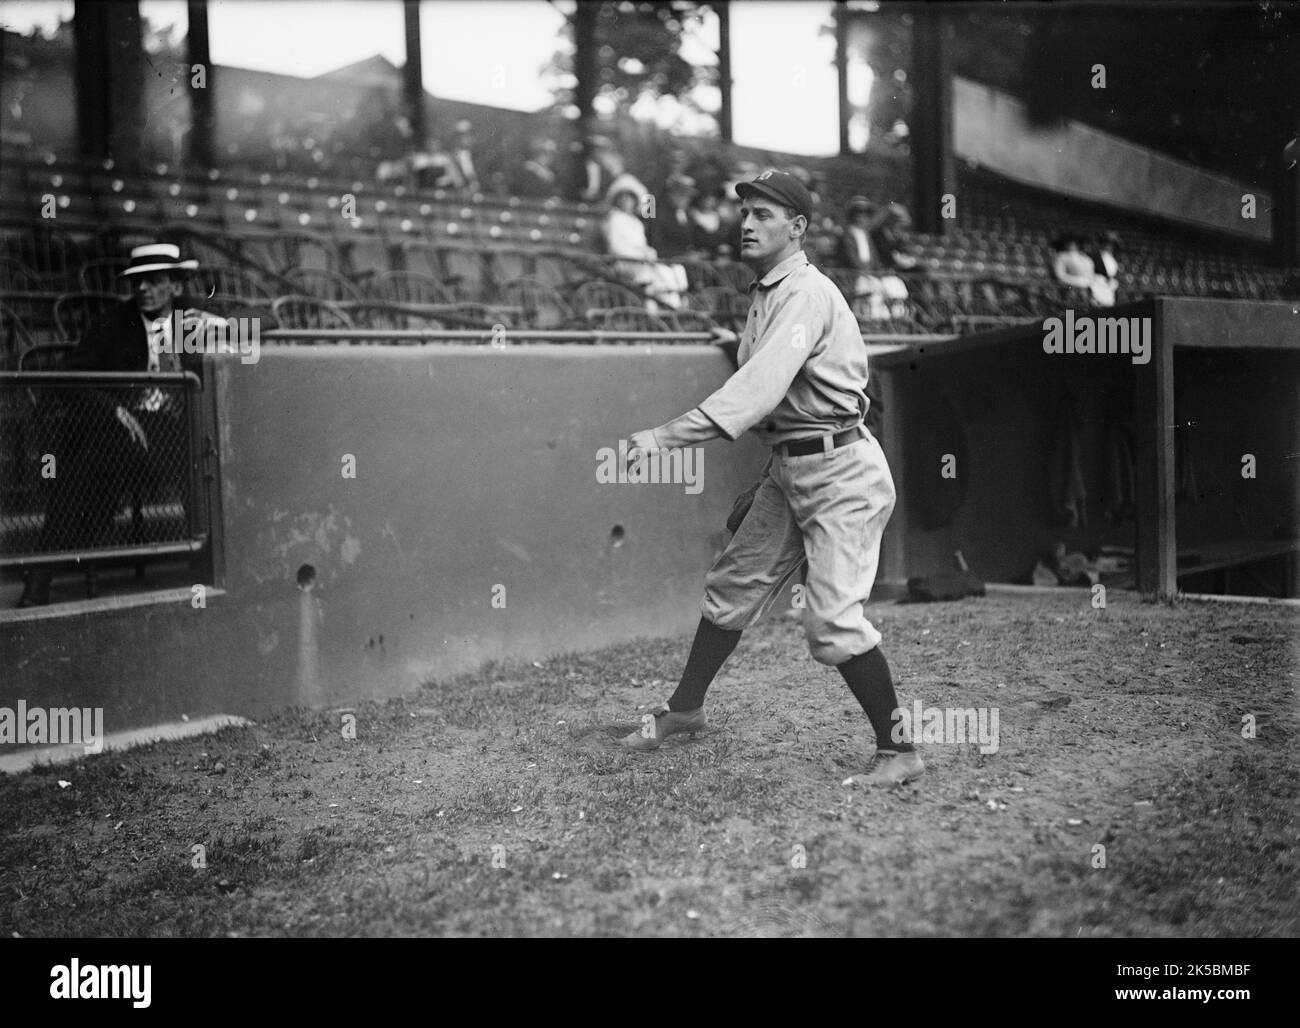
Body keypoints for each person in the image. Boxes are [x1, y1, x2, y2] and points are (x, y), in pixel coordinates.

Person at [620, 170, 923, 788]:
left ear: (798, 227)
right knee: (732, 586)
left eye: (763, 214)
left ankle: (900, 751)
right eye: (745, 213)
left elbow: (758, 390)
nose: (747, 224)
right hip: (791, 467)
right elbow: (774, 363)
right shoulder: (769, 293)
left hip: (841, 473)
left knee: (831, 624)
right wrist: (735, 342)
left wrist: (663, 438)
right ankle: (686, 709)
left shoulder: (806, 293)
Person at [17, 244, 220, 607]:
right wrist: (113, 409)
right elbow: (69, 377)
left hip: (177, 431)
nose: (142, 288)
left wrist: (217, 324)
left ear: (175, 286)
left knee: (203, 461)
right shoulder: (114, 322)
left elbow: (263, 320)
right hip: (124, 430)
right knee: (86, 464)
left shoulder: (191, 316)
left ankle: (206, 570)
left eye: (153, 281)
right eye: (137, 281)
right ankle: (41, 576)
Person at [601, 176, 688, 309]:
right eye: (623, 198)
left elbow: (643, 244)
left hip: (641, 262)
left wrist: (647, 252)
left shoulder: (636, 222)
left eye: (630, 198)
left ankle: (674, 306)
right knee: (657, 274)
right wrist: (640, 255)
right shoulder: (614, 219)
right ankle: (660, 309)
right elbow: (616, 247)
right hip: (625, 262)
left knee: (670, 271)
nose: (626, 202)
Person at [1088, 231, 1121, 307]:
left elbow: (1114, 275)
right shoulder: (1094, 256)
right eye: (1107, 243)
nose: (1109, 246)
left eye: (1112, 245)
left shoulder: (1113, 259)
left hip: (1110, 289)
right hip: (1097, 286)